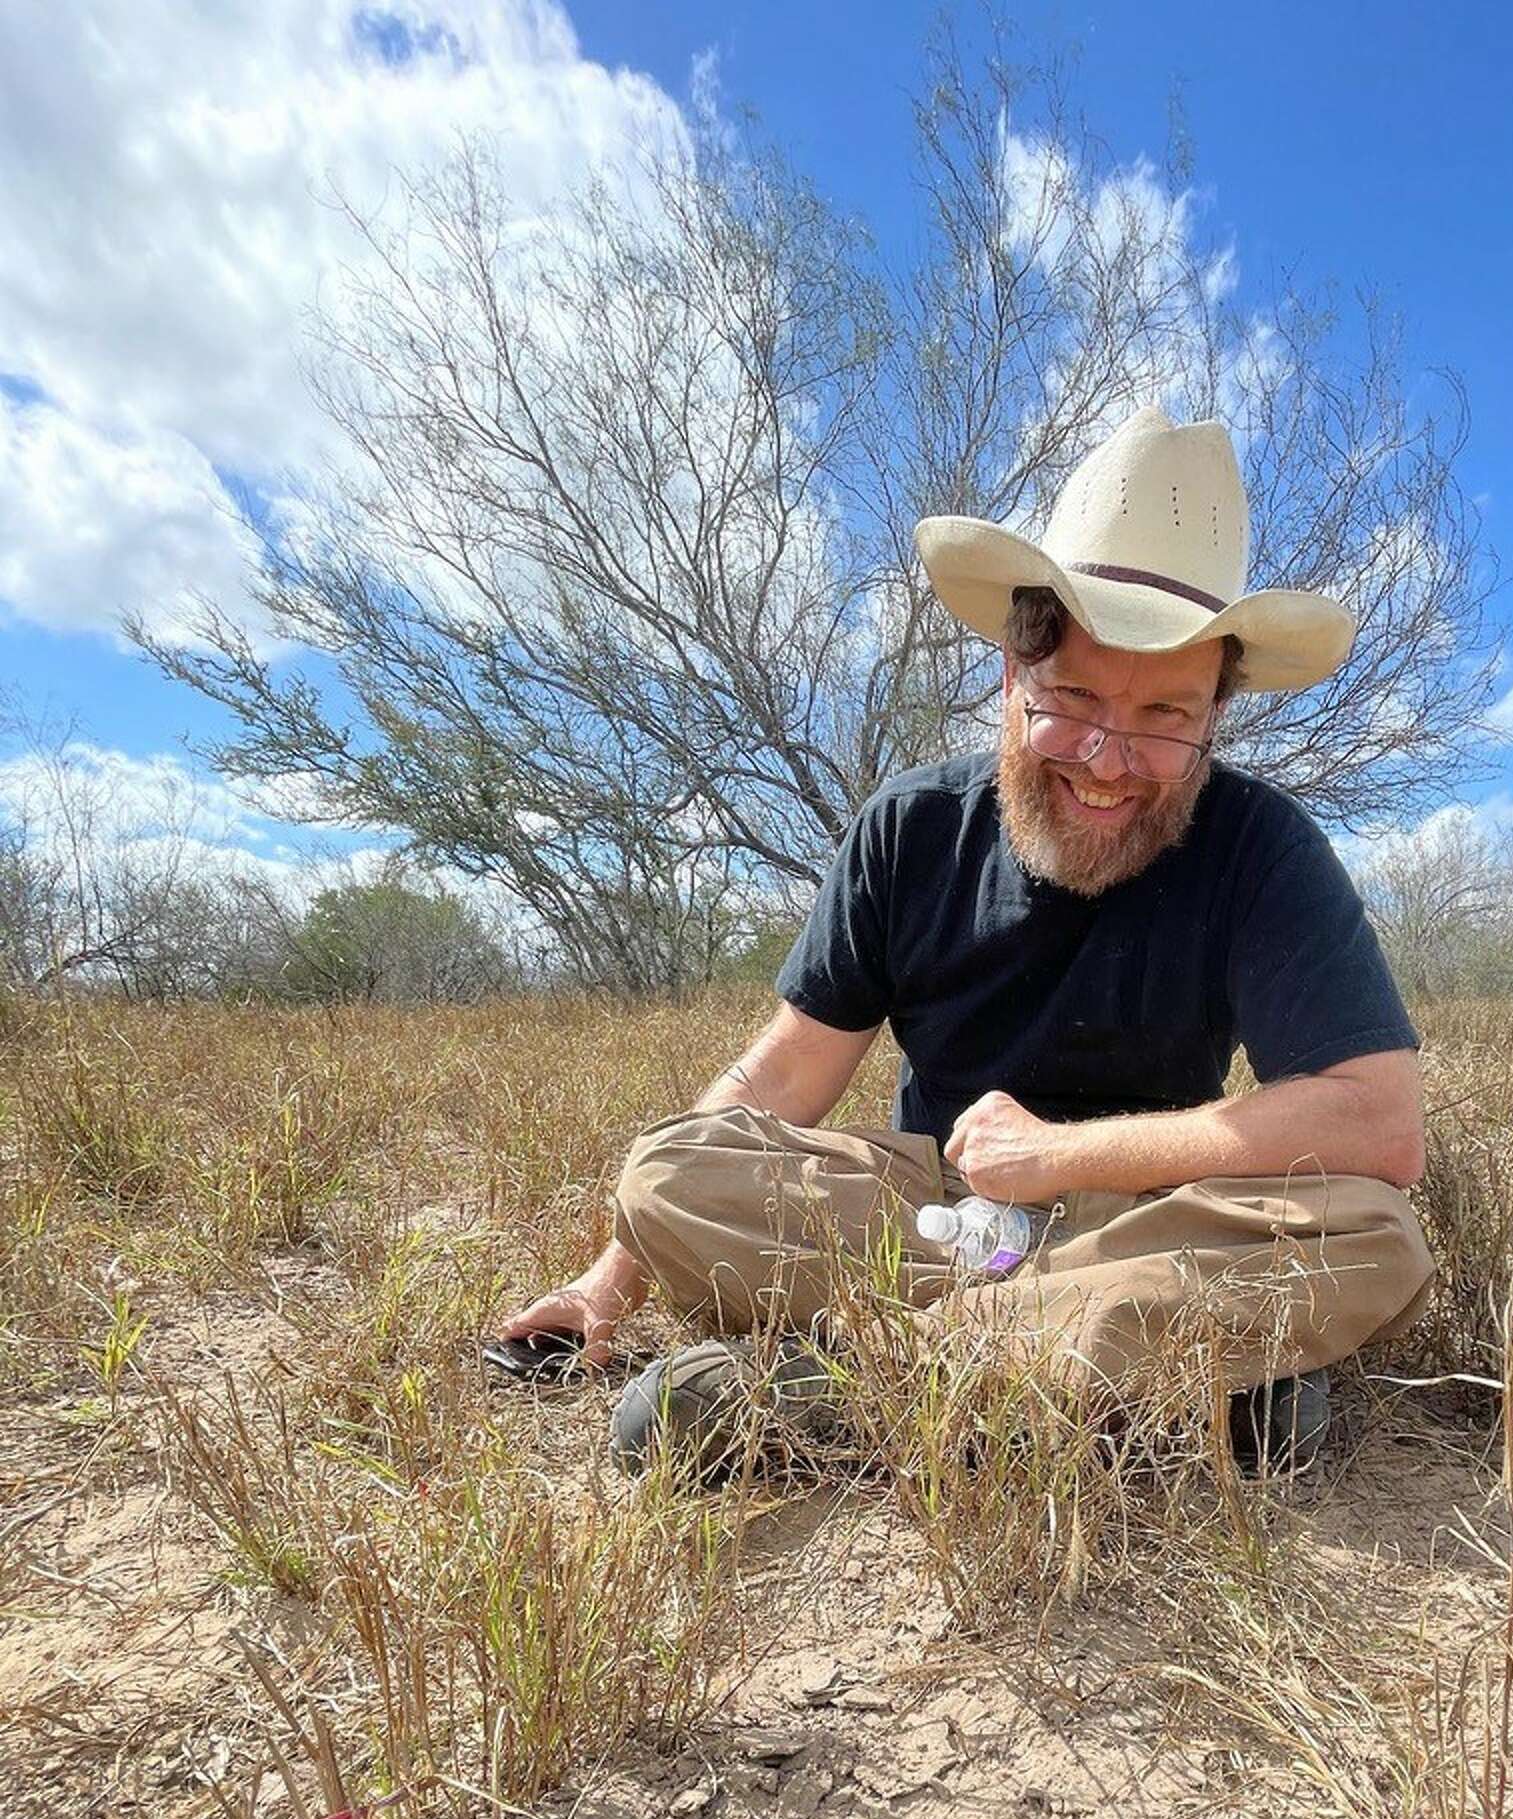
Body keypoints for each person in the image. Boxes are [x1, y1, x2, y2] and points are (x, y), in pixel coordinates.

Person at [491, 406, 1434, 1477]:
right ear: (1010, 677)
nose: (1108, 761)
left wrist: (1059, 1159)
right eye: (1074, 698)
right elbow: (784, 1072)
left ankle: (861, 1384)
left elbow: (1382, 1124)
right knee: (665, 1170)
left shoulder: (1263, 846)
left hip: (1142, 1227)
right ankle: (1128, 1390)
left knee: (1374, 1231)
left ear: (1215, 711)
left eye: (1164, 715)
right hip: (933, 1226)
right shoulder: (910, 826)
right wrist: (608, 1281)